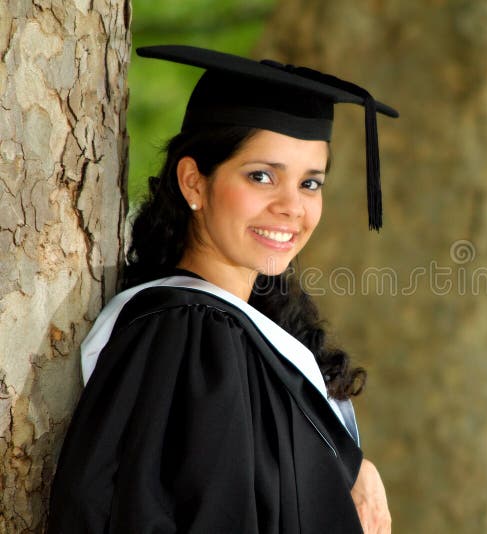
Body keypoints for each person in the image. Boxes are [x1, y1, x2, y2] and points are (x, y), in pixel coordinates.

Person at [47, 45, 398, 533]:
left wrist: (352, 466)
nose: (291, 207)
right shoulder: (192, 334)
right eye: (262, 176)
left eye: (310, 184)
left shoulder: (235, 333)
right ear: (194, 182)